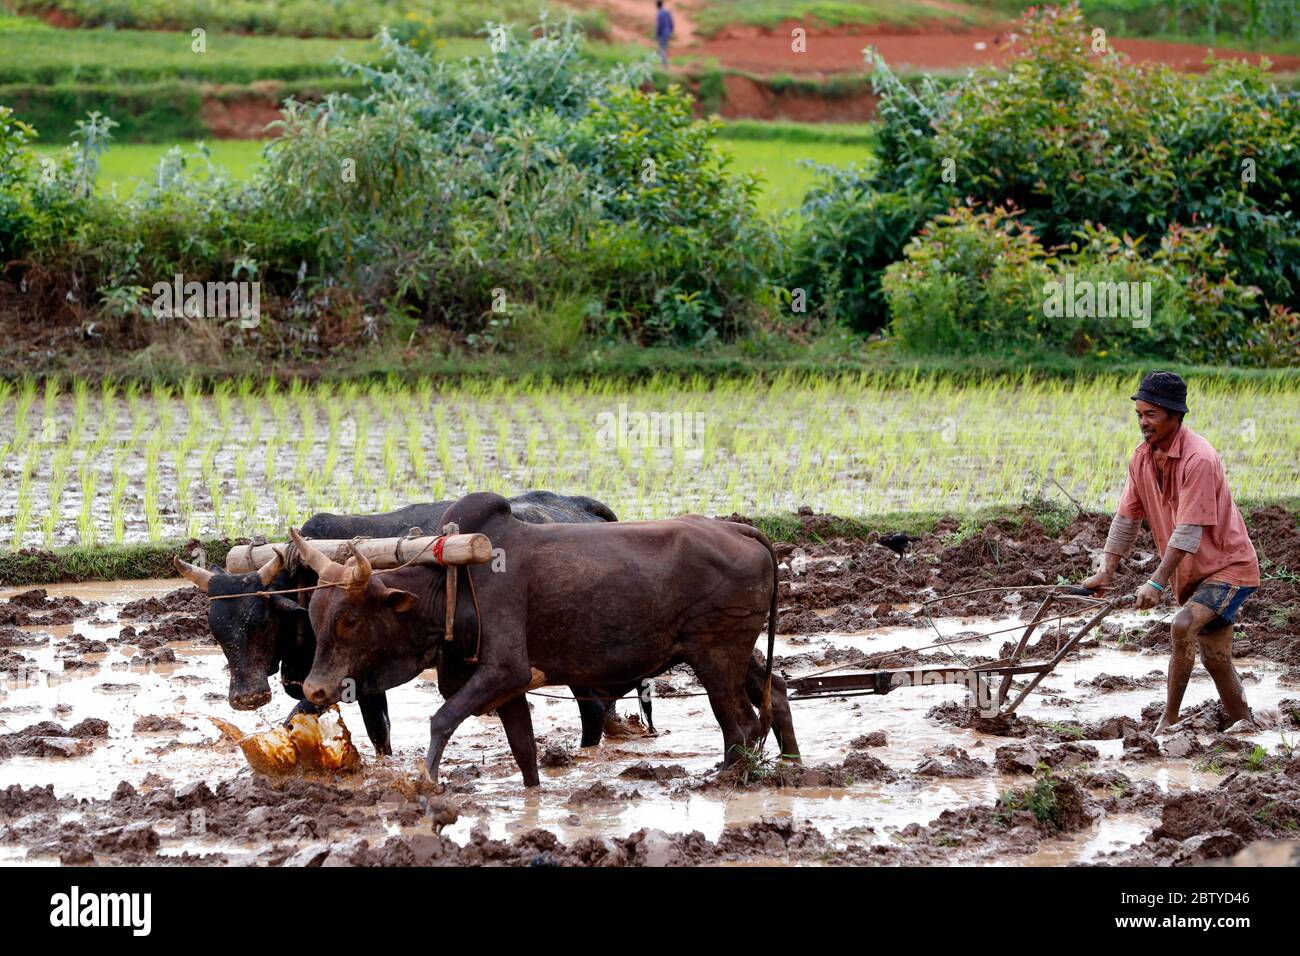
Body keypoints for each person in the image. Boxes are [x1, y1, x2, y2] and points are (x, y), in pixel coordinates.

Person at [1081, 370, 1260, 734]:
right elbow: (1126, 518)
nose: (1143, 423)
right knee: (1215, 658)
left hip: (1229, 566)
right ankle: (1244, 723)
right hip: (1194, 573)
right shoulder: (1142, 458)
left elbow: (1189, 531)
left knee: (1182, 624)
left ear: (1175, 415)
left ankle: (1170, 718)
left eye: (1151, 415)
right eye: (1139, 415)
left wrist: (1156, 584)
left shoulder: (1200, 460)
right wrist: (1106, 571)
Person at [655, 1, 674, 67]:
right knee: (665, 48)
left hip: (662, 34)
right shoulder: (667, 12)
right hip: (668, 33)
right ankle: (665, 64)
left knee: (662, 49)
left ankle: (664, 65)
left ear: (657, 6)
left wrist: (657, 35)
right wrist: (671, 31)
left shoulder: (659, 14)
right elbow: (672, 23)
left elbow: (658, 26)